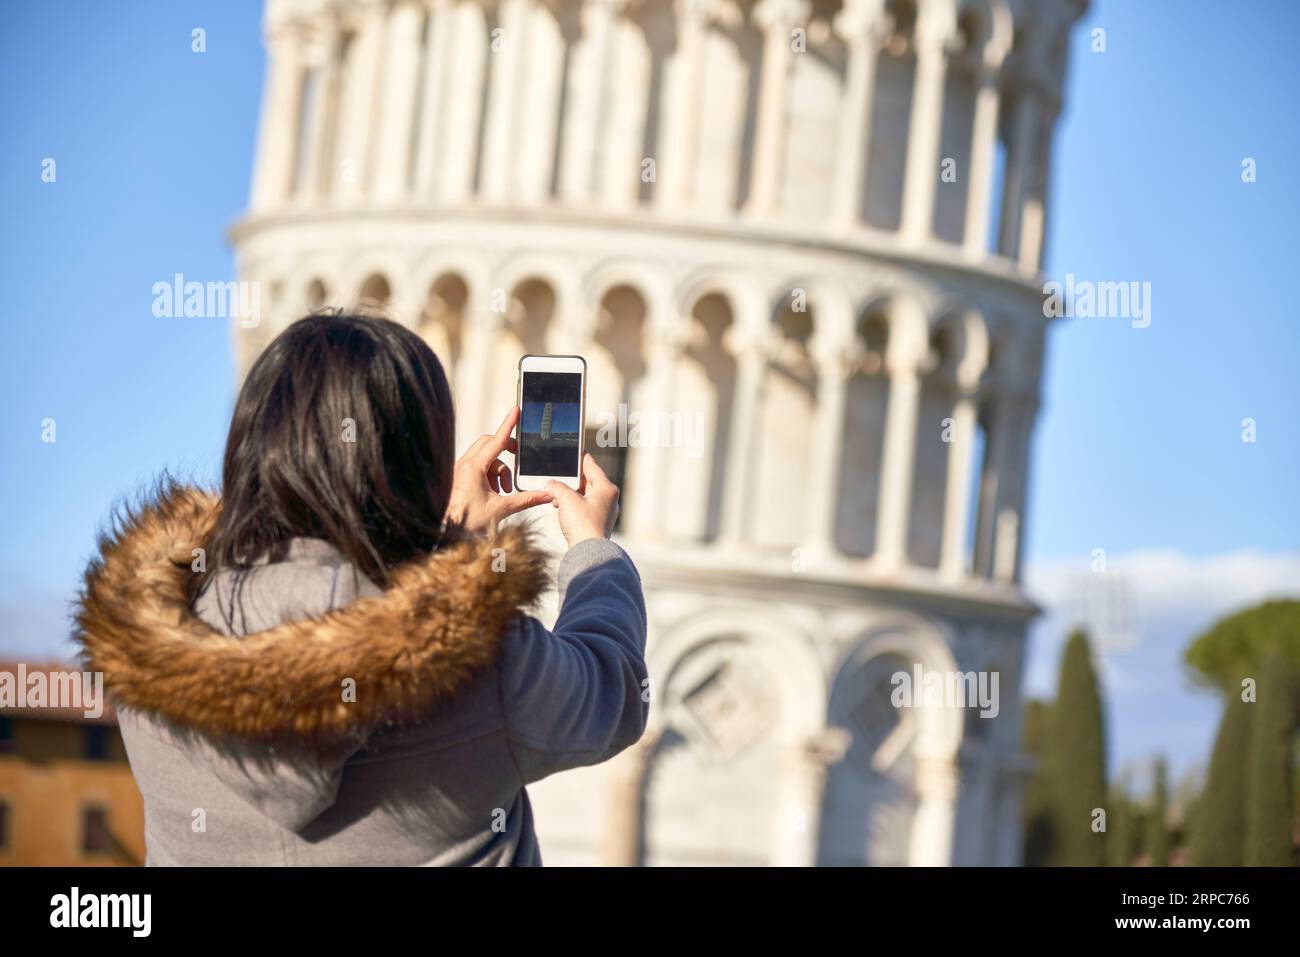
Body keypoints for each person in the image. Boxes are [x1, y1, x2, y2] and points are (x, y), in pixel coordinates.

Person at [75, 311, 647, 866]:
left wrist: (450, 553)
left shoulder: (146, 661)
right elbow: (612, 692)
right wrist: (591, 550)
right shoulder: (484, 661)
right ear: (418, 458)